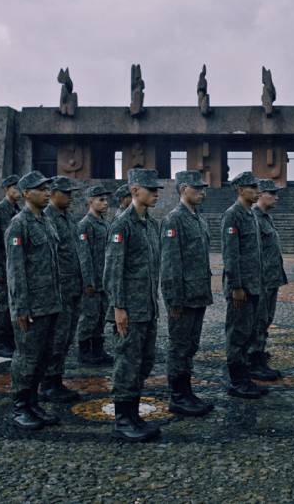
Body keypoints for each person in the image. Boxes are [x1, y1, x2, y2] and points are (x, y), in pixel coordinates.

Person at [105, 168, 163, 442]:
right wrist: (118, 307)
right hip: (128, 309)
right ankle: (122, 419)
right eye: (150, 189)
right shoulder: (122, 225)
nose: (155, 194)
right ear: (134, 190)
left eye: (157, 190)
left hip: (147, 307)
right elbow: (114, 270)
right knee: (127, 363)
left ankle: (134, 414)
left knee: (144, 362)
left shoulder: (152, 225)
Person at [5, 171, 63, 430]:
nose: (47, 192)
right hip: (31, 306)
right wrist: (20, 307)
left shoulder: (46, 221)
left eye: (48, 187)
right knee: (26, 358)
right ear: (26, 193)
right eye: (40, 189)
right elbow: (15, 270)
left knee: (43, 357)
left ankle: (33, 402)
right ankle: (20, 406)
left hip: (50, 302)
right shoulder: (19, 224)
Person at [159, 170, 215, 417]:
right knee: (179, 346)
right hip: (182, 297)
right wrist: (173, 299)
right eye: (197, 188)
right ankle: (178, 396)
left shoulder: (198, 219)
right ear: (183, 189)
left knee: (191, 345)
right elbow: (170, 264)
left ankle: (187, 391)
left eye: (203, 188)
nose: (202, 192)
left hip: (198, 293)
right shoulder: (174, 220)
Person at [220, 171, 267, 399]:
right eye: (252, 188)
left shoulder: (250, 215)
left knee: (247, 333)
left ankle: (245, 377)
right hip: (241, 288)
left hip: (253, 285)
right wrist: (236, 286)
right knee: (237, 334)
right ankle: (237, 381)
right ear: (240, 190)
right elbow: (231, 255)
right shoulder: (233, 216)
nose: (257, 191)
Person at [42, 176, 85, 404]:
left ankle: (56, 378)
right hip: (57, 292)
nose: (70, 196)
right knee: (55, 339)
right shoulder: (47, 218)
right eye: (66, 193)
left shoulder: (67, 218)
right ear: (53, 193)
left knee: (66, 337)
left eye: (71, 193)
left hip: (72, 289)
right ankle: (48, 382)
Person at [249, 179, 288, 382]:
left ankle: (258, 354)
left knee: (265, 320)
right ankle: (253, 361)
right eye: (272, 193)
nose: (276, 197)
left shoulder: (266, 217)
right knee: (258, 320)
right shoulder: (253, 218)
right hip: (261, 280)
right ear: (261, 194)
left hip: (271, 279)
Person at [75, 184, 113, 366]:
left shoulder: (105, 223)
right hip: (92, 281)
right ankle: (84, 351)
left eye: (106, 199)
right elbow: (84, 256)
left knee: (100, 316)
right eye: (101, 200)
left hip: (104, 280)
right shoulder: (85, 225)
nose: (105, 203)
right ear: (91, 201)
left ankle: (98, 349)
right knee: (88, 317)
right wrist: (88, 282)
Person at [0, 174, 21, 358]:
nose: (19, 192)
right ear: (7, 189)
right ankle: (0, 342)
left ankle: (11, 340)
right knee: (1, 307)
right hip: (2, 268)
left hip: (13, 267)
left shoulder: (17, 210)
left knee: (13, 305)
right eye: (15, 188)